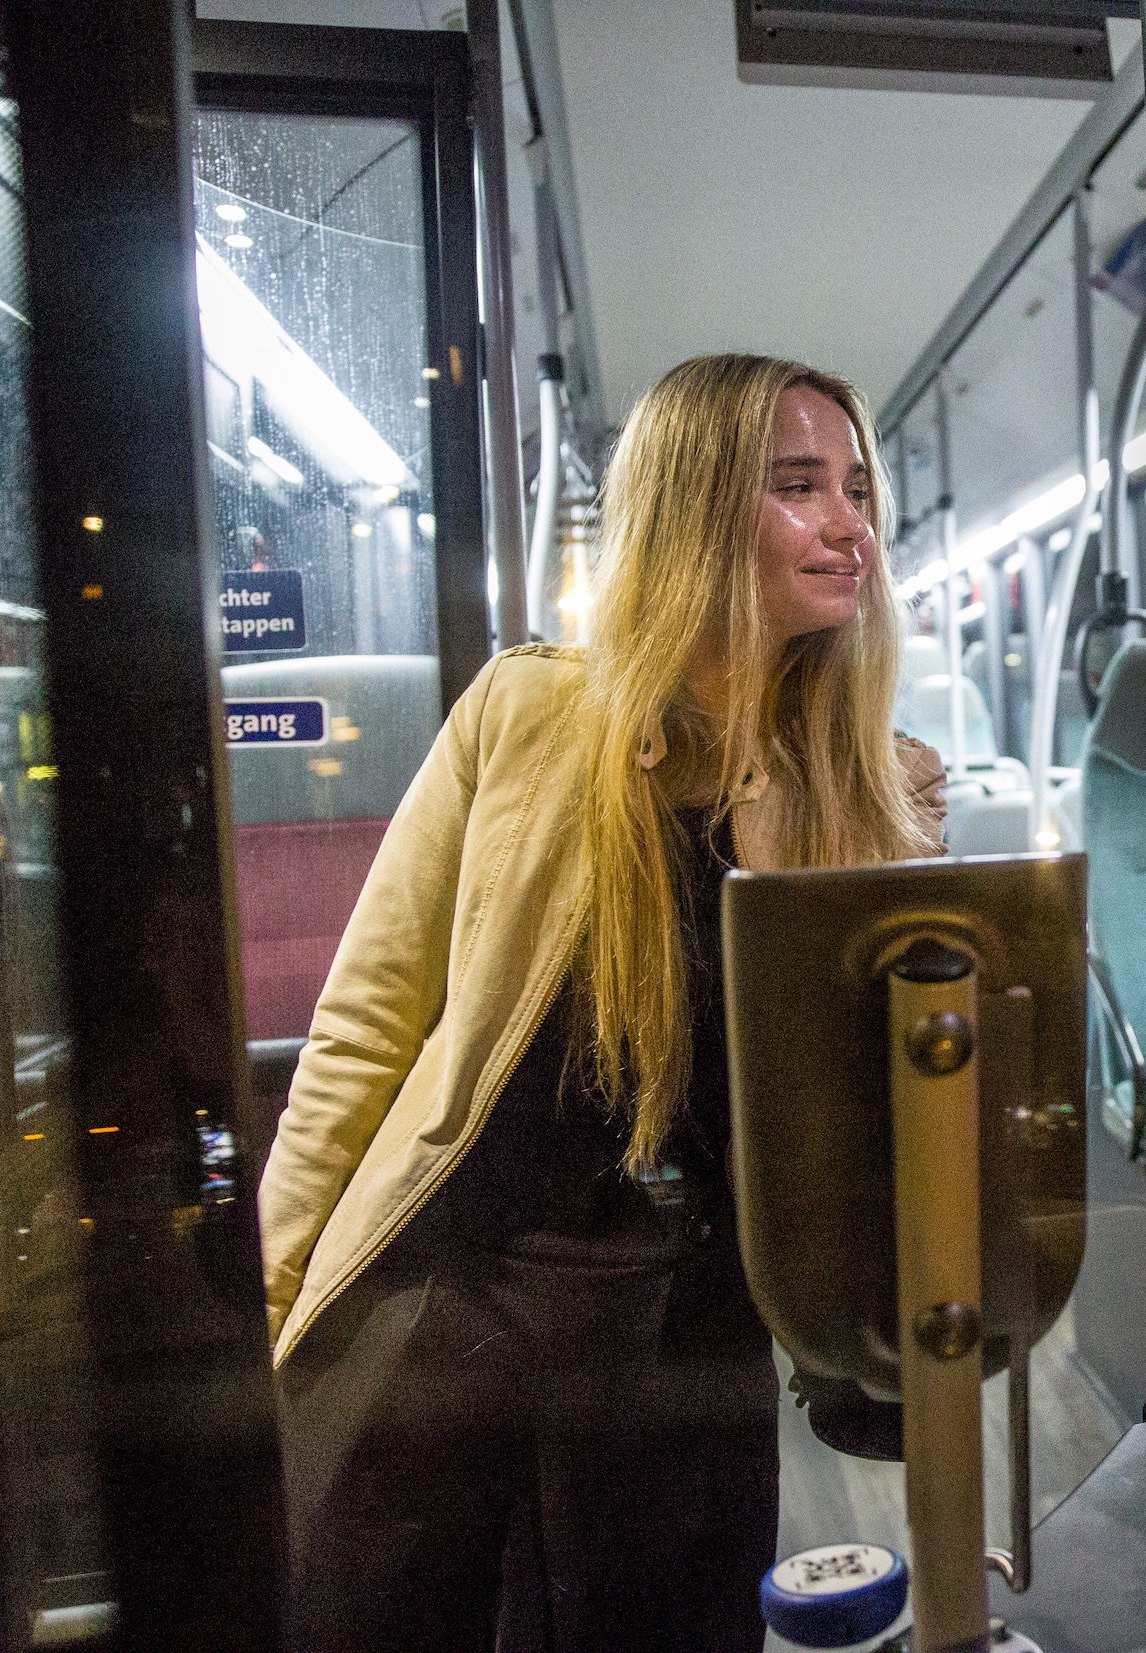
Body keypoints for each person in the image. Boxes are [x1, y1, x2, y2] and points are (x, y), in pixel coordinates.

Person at [256, 354, 947, 1651]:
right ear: (693, 512)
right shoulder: (526, 715)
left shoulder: (852, 792)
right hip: (451, 1318)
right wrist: (278, 1299)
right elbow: (366, 1027)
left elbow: (853, 1122)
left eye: (857, 487)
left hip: (688, 1354)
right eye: (799, 485)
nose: (850, 521)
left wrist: (878, 1336)